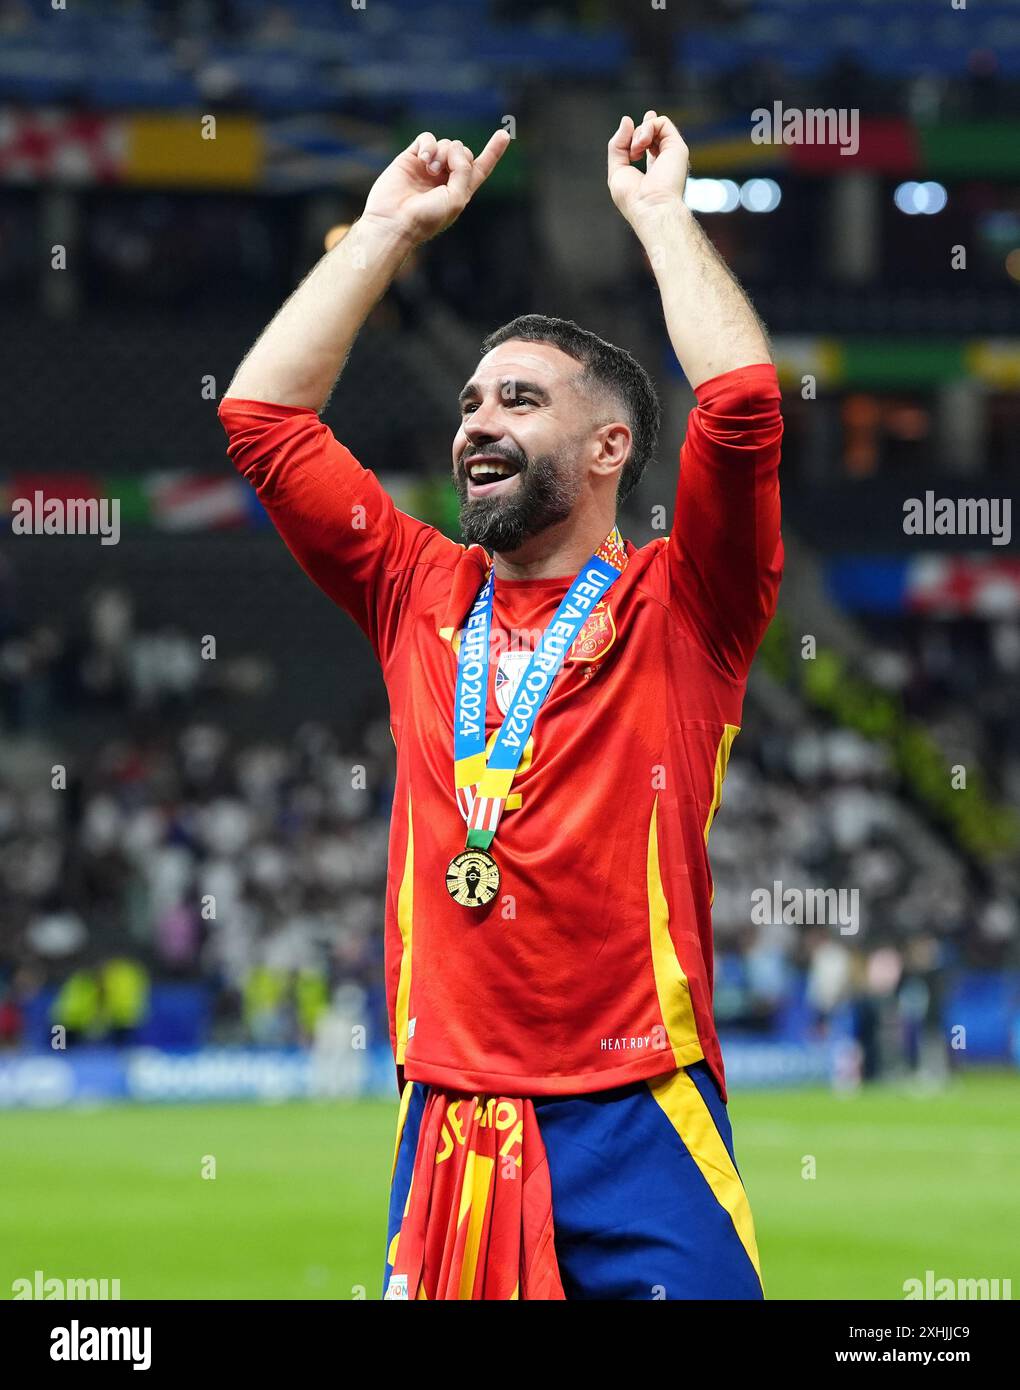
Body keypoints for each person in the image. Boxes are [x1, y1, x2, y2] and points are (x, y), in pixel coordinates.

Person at [219, 111, 782, 1300]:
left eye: (518, 399)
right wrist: (383, 231)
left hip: (640, 1120)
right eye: (472, 401)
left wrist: (663, 218)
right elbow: (263, 418)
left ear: (609, 448)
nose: (476, 421)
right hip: (454, 1124)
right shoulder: (414, 586)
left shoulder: (688, 607)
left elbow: (739, 405)